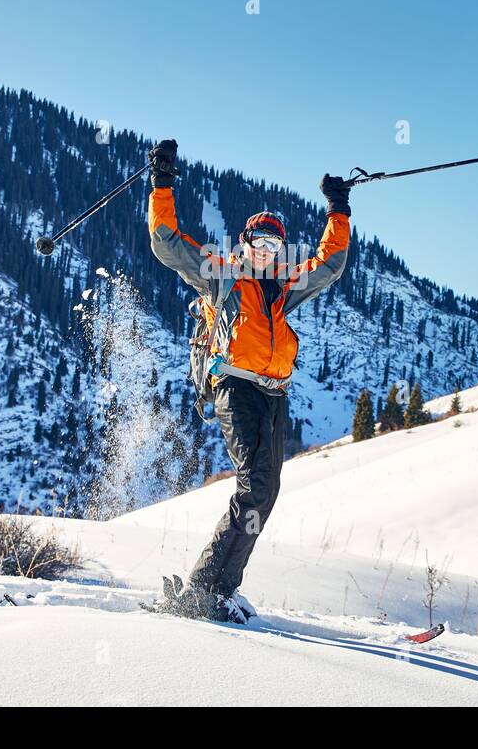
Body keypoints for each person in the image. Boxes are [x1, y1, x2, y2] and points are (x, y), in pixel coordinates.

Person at [145, 138, 351, 621]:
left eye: (274, 244)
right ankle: (203, 587)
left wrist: (337, 209)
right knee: (254, 483)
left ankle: (219, 588)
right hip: (235, 385)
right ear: (245, 243)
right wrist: (162, 181)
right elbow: (166, 242)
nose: (265, 251)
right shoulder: (223, 275)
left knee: (266, 490)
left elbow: (330, 265)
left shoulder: (283, 288)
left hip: (275, 394)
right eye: (258, 242)